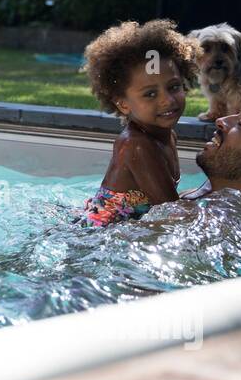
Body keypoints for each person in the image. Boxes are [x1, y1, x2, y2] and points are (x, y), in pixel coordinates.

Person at [80, 19, 198, 225]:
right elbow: (171, 210)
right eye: (150, 94)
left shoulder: (168, 136)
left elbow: (167, 203)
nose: (167, 100)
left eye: (173, 87)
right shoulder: (137, 145)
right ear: (123, 104)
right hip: (94, 235)